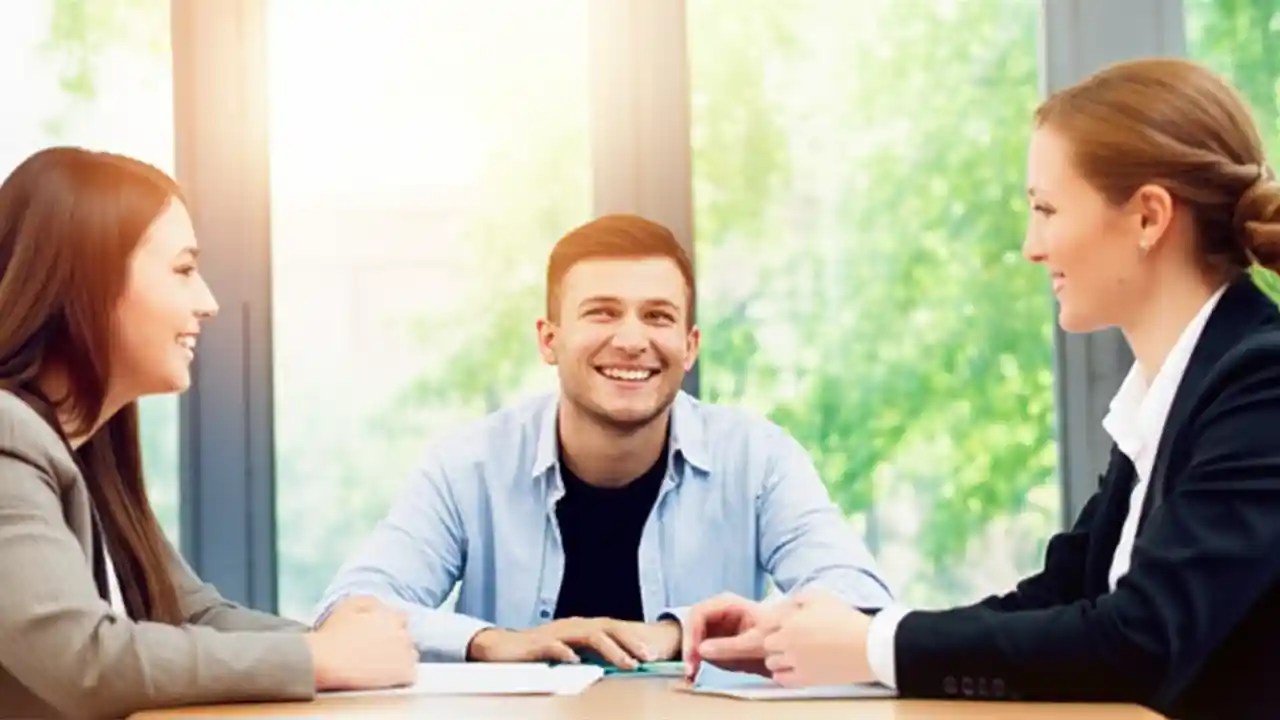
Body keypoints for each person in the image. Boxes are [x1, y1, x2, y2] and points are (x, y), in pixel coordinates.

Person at [681, 58, 1280, 720]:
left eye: (1046, 209)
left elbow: (1138, 639)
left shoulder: (1262, 384)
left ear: (1148, 217)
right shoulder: (1171, 393)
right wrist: (817, 636)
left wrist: (872, 647)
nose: (1031, 246)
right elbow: (1058, 599)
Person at [316, 214, 891, 669]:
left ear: (690, 347)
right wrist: (492, 641)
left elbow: (860, 601)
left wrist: (681, 632)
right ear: (549, 340)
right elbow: (351, 610)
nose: (632, 340)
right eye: (602, 313)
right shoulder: (468, 465)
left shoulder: (758, 458)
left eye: (658, 317)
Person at [0, 147, 417, 720]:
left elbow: (192, 615)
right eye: (183, 270)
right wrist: (319, 657)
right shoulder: (9, 439)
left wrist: (341, 646)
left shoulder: (87, 450)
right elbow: (84, 660)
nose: (209, 303)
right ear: (88, 283)